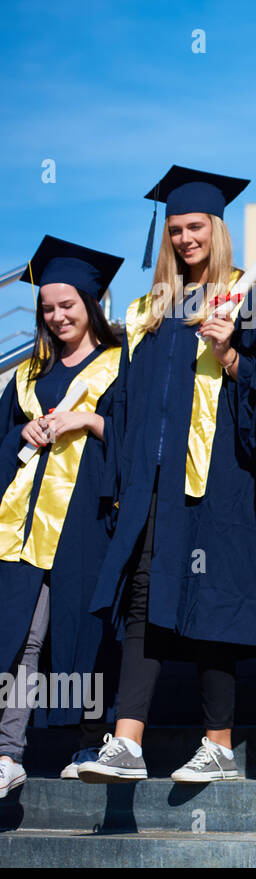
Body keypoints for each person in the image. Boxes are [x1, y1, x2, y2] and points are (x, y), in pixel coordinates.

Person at [80, 166, 256, 783]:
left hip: (221, 483)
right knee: (141, 599)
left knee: (211, 606)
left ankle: (219, 745)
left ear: (217, 230)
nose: (184, 239)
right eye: (175, 229)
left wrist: (228, 350)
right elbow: (127, 404)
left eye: (196, 226)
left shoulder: (253, 298)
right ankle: (127, 742)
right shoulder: (150, 310)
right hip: (154, 488)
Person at [0, 238, 124, 796]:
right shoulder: (29, 372)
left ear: (92, 303)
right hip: (22, 525)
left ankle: (88, 740)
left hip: (89, 521)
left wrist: (87, 421)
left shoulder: (122, 365)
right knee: (22, 636)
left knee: (87, 630)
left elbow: (140, 441)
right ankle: (8, 752)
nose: (57, 316)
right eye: (47, 308)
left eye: (67, 305)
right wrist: (17, 433)